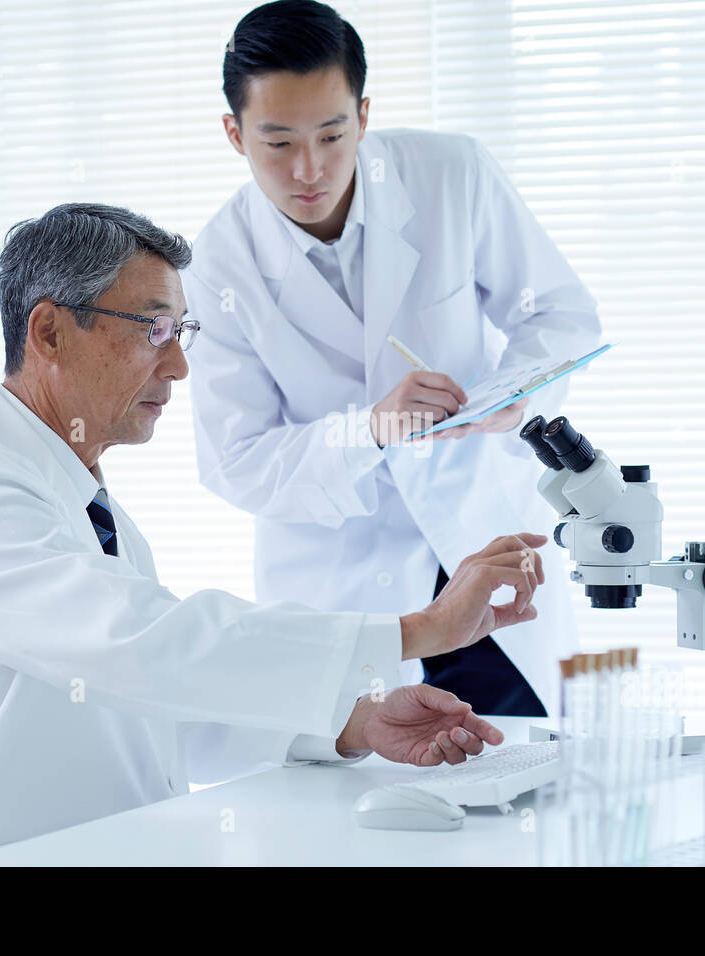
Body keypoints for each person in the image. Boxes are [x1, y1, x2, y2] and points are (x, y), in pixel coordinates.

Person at [0, 202, 546, 866]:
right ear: (49, 332)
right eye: (153, 331)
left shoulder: (75, 493)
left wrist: (351, 722)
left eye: (180, 333)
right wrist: (418, 629)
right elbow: (144, 645)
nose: (179, 369)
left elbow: (156, 702)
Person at [184, 0, 602, 719]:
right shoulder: (215, 264)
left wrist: (512, 397)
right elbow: (237, 460)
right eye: (277, 142)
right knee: (355, 807)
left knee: (522, 780)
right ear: (233, 133)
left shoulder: (451, 175)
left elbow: (561, 316)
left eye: (331, 133)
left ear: (364, 114)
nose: (308, 169)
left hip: (484, 554)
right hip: (342, 592)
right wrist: (369, 430)